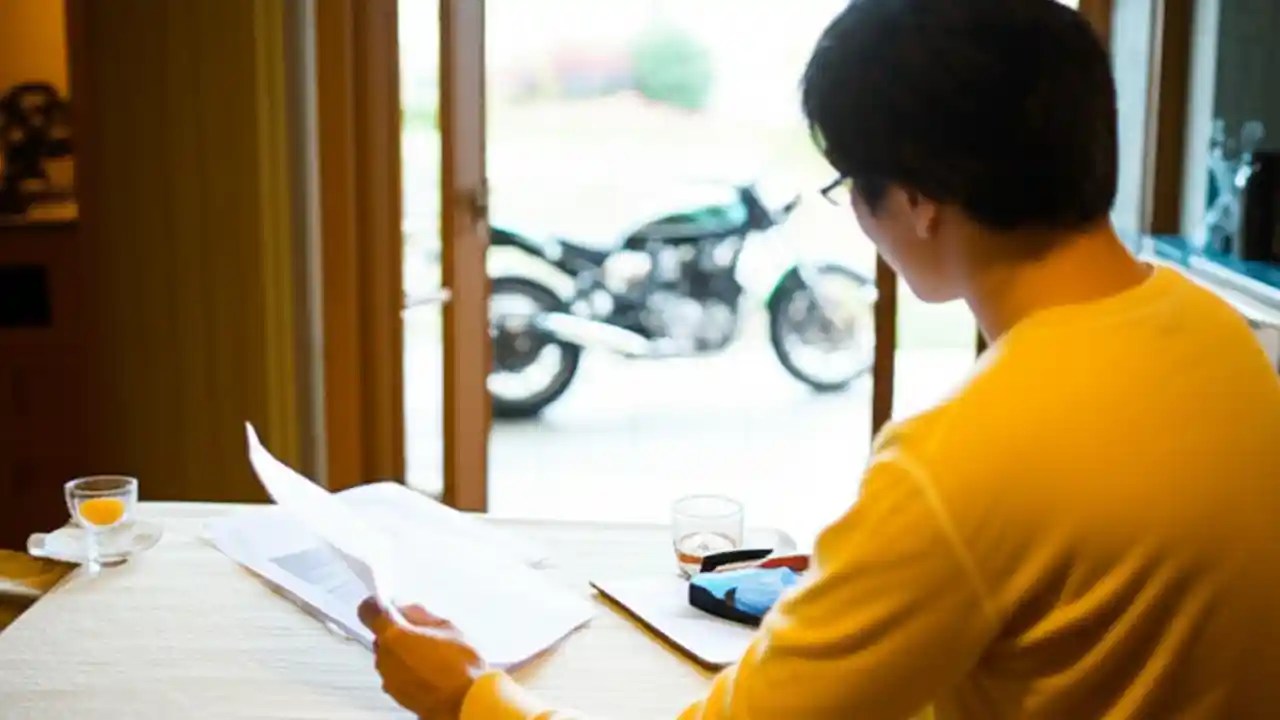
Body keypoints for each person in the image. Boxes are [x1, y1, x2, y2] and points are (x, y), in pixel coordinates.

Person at [358, 0, 1280, 716]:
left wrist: (467, 695)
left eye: (848, 182)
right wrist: (883, 592)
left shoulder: (961, 459)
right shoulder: (1220, 340)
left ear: (917, 196)